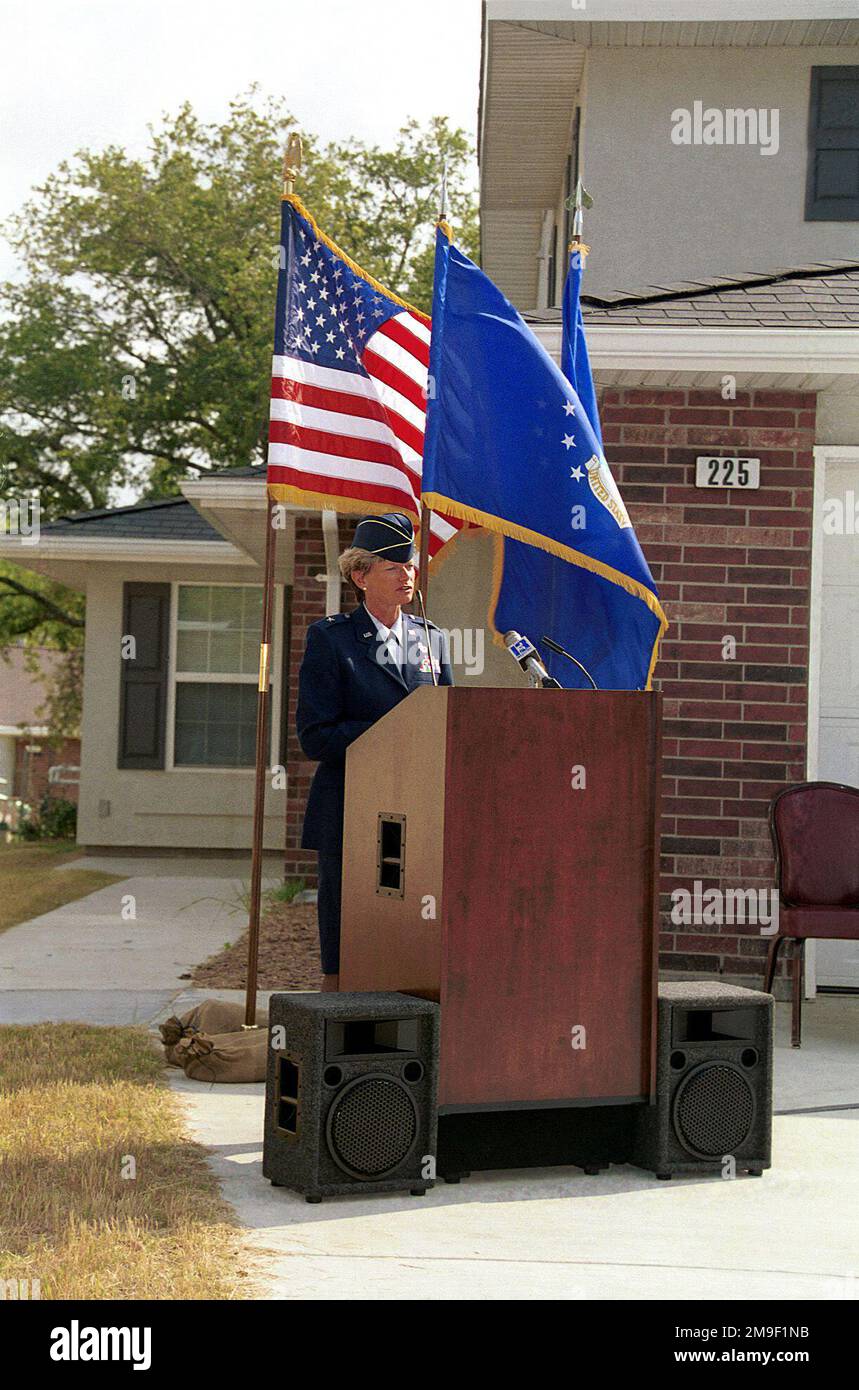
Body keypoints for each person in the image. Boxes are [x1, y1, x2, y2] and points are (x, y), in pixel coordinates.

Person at [296, 513, 454, 990]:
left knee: (413, 925)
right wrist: (392, 734)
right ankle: (339, 998)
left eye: (410, 565)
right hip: (351, 807)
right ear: (360, 576)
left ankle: (414, 998)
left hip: (418, 813)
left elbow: (446, 723)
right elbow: (316, 735)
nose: (407, 574)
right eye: (393, 567)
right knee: (348, 920)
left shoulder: (432, 639)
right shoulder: (331, 639)